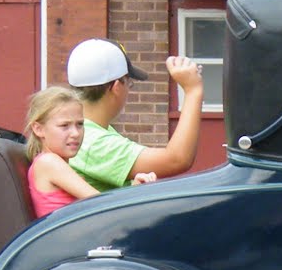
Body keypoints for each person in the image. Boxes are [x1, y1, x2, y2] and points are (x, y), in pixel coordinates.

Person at [65, 37, 202, 191]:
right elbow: (177, 160)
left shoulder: (87, 130)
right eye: (129, 83)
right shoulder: (92, 141)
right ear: (116, 87)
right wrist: (193, 91)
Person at [25, 86, 100, 217]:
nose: (76, 133)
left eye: (80, 124)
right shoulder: (48, 162)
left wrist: (135, 189)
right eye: (64, 125)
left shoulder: (52, 163)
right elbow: (102, 203)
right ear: (38, 129)